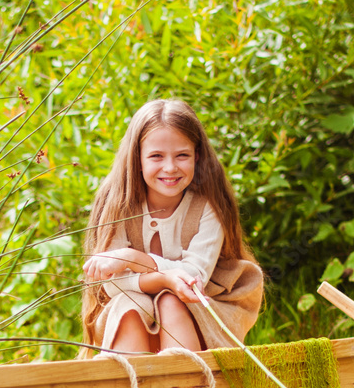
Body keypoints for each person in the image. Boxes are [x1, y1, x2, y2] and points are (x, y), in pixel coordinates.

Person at [81, 99, 263, 355]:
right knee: (129, 308)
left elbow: (193, 277)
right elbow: (114, 284)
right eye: (156, 156)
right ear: (138, 158)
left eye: (182, 155)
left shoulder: (208, 206)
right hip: (130, 305)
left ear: (196, 156)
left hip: (195, 306)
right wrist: (165, 278)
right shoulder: (118, 204)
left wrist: (131, 258)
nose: (170, 167)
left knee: (171, 301)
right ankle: (128, 386)